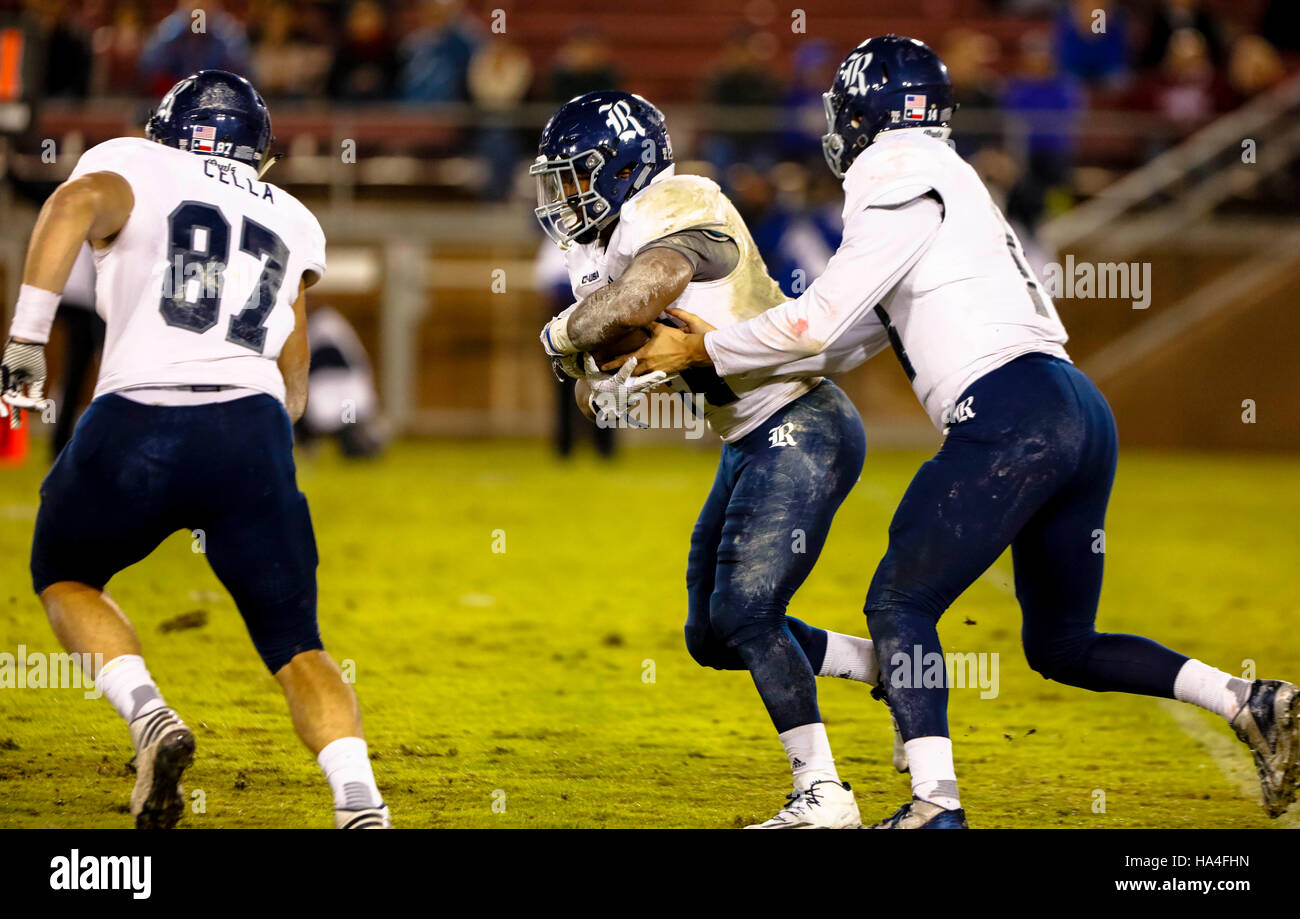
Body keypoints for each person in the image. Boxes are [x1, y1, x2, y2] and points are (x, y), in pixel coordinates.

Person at [614, 35, 1299, 828]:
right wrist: (724, 364)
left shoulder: (893, 170)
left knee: (900, 599)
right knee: (1062, 644)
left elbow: (818, 321)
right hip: (1073, 405)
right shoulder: (947, 176)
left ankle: (935, 806)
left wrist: (705, 345)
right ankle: (1249, 697)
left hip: (1010, 411)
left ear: (868, 114)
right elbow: (849, 334)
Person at [0, 70, 389, 829]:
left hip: (139, 415)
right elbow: (296, 365)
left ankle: (149, 716)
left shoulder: (136, 162)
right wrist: (275, 452)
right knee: (298, 645)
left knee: (65, 573)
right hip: (251, 426)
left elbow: (73, 203)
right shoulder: (293, 214)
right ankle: (359, 803)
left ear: (170, 128)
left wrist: (24, 340)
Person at [535, 91, 900, 828]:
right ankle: (889, 665)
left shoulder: (673, 204)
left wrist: (559, 337)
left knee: (747, 610)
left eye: (578, 176)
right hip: (747, 437)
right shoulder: (601, 245)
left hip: (802, 421)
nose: (567, 197)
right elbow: (600, 358)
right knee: (710, 634)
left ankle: (824, 793)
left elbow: (648, 292)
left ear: (624, 166)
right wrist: (597, 383)